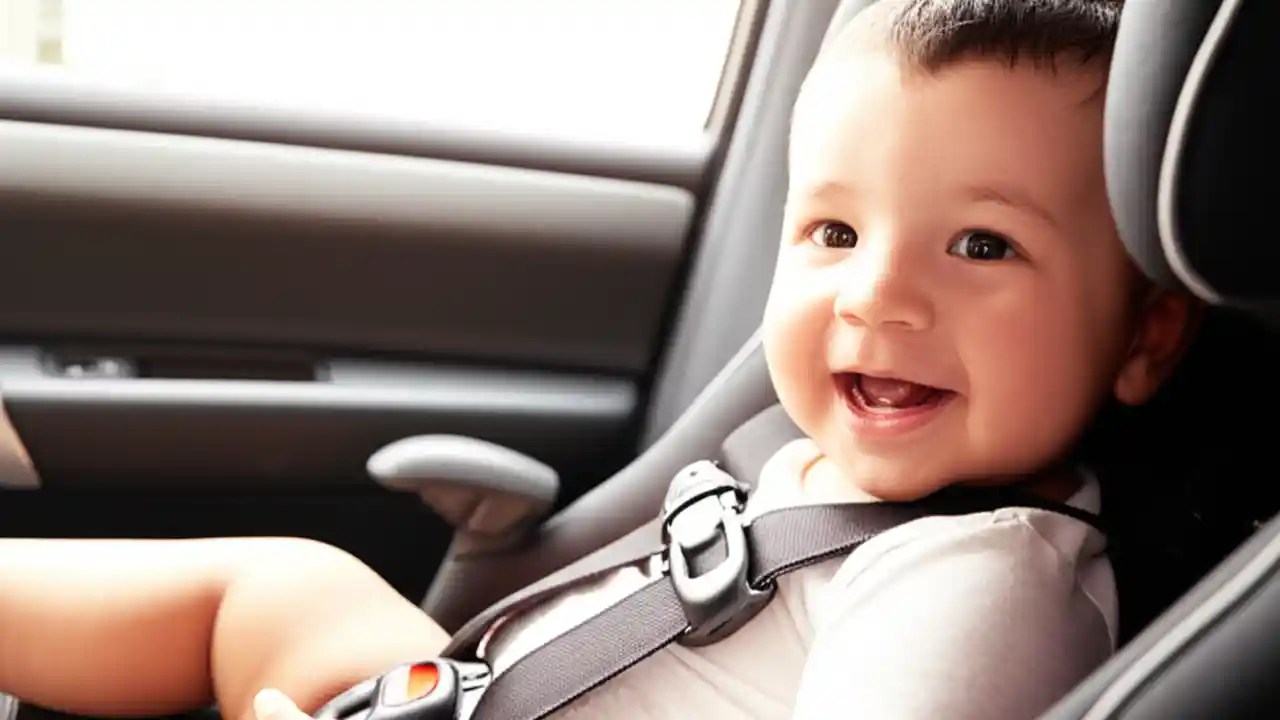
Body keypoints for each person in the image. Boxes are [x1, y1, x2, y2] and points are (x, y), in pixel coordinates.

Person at [0, 1, 1201, 718]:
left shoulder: (980, 588)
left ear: (1143, 337)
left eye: (981, 245)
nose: (876, 294)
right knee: (289, 587)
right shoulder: (821, 462)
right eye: (832, 232)